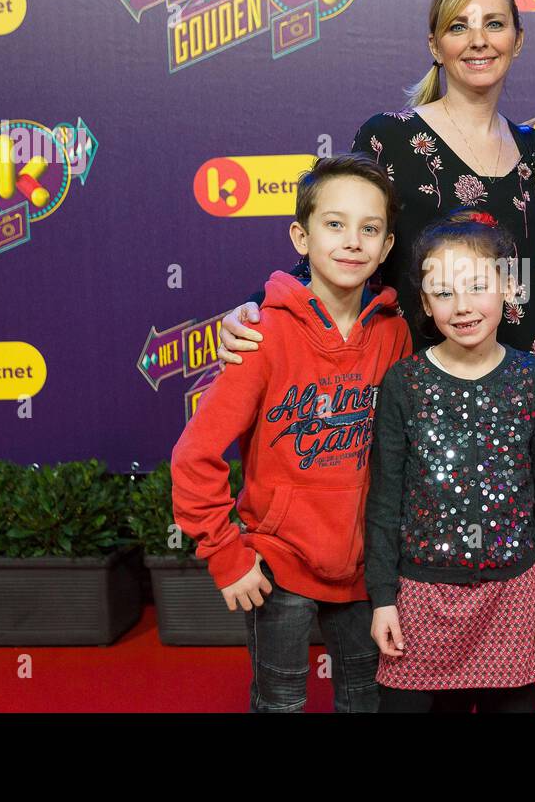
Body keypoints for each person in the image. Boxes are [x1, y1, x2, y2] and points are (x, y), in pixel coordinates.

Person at [216, 0, 535, 377]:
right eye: (459, 26)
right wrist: (261, 305)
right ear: (435, 46)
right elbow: (339, 244)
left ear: (517, 39)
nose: (479, 40)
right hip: (418, 393)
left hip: (526, 394)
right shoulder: (392, 138)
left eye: (494, 24)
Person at [170, 154, 411, 712]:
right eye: (334, 224)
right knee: (280, 702)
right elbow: (195, 455)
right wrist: (226, 554)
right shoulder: (264, 333)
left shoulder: (395, 336)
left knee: (367, 700)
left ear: (387, 246)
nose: (352, 241)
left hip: (367, 566)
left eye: (369, 229)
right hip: (277, 565)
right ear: (301, 237)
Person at [365, 210, 535, 712]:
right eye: (444, 293)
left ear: (507, 287)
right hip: (420, 599)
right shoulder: (405, 384)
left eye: (477, 286)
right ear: (424, 302)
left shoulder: (534, 379)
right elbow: (384, 499)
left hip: (514, 597)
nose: (462, 307)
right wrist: (382, 599)